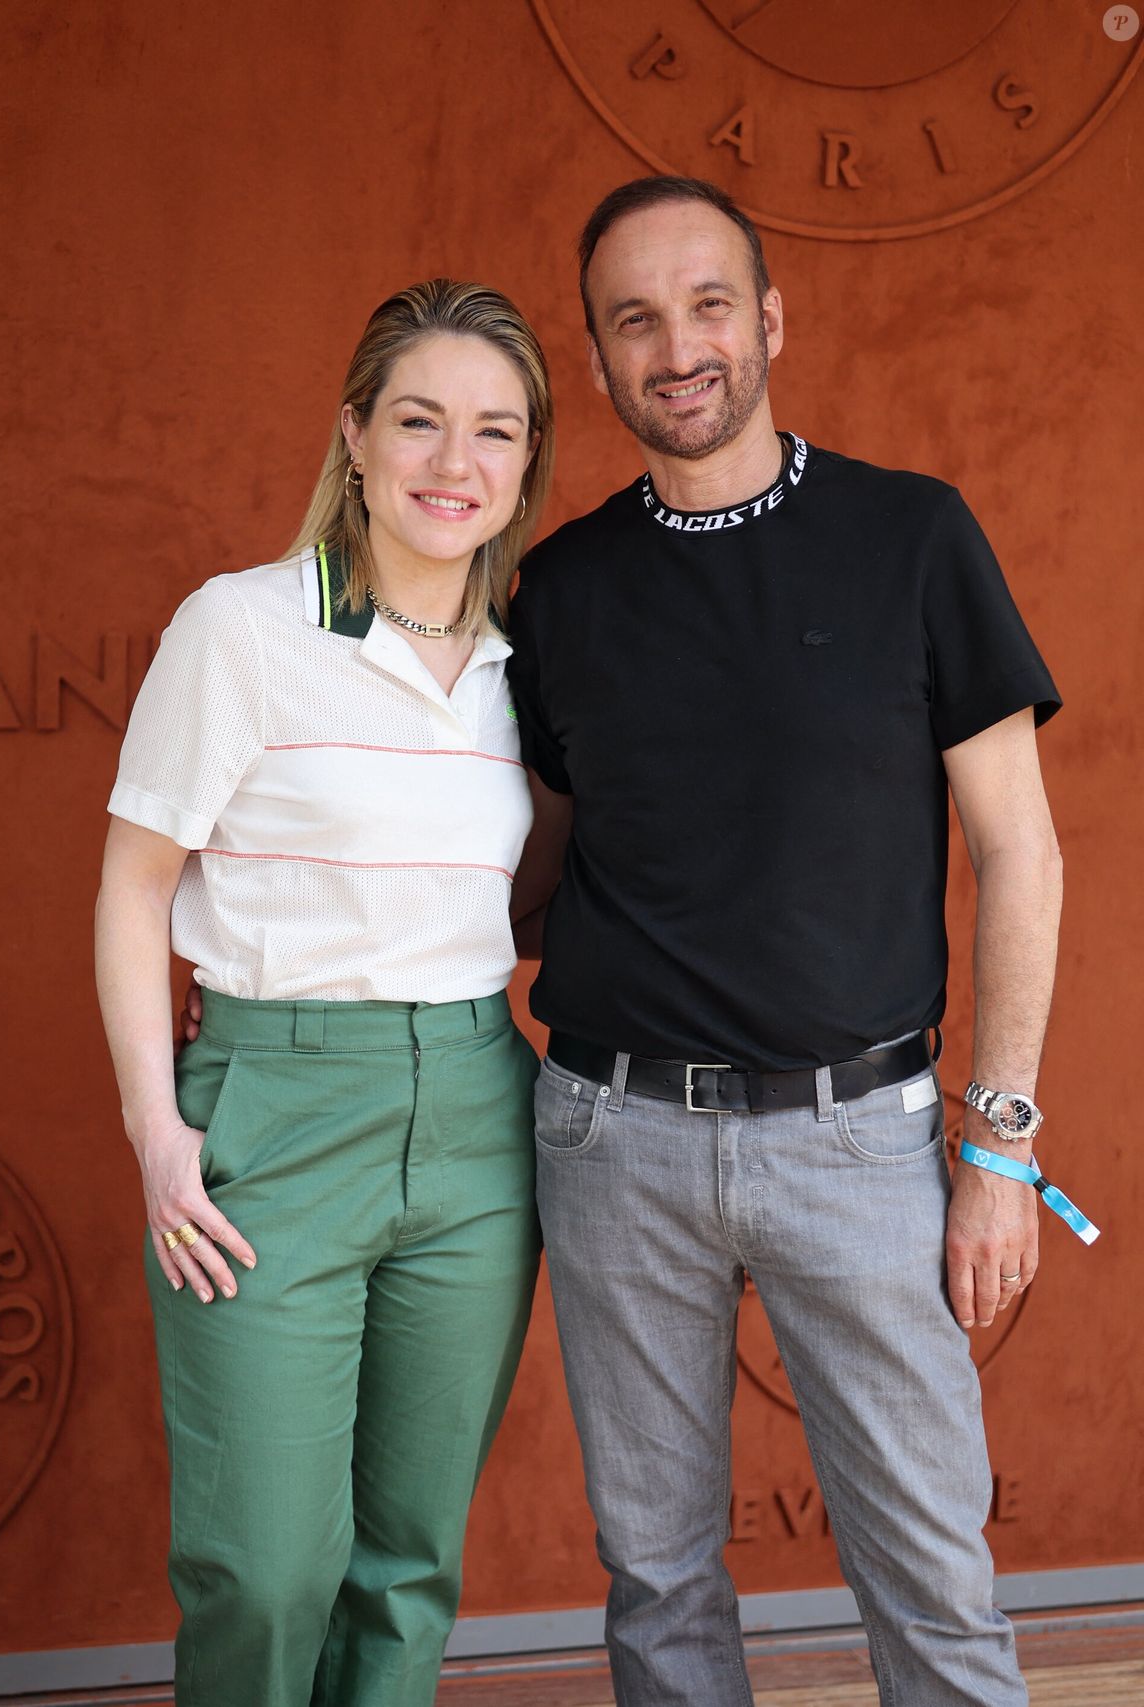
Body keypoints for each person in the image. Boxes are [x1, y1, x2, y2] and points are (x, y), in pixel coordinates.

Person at [506, 177, 1077, 1707]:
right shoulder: (560, 589)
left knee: (932, 1578)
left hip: (860, 1141)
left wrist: (1002, 1143)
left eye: (708, 305)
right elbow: (521, 872)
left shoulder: (912, 537)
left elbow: (1020, 852)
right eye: (635, 321)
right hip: (613, 1138)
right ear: (600, 358)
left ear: (769, 317)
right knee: (659, 1581)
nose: (677, 347)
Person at [94, 277, 554, 1707]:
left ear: (526, 461)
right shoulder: (242, 628)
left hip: (478, 1115)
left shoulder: (531, 664)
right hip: (275, 1115)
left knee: (409, 1566)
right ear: (355, 436)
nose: (454, 462)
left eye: (494, 430)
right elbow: (133, 888)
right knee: (266, 1569)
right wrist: (159, 1134)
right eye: (418, 421)